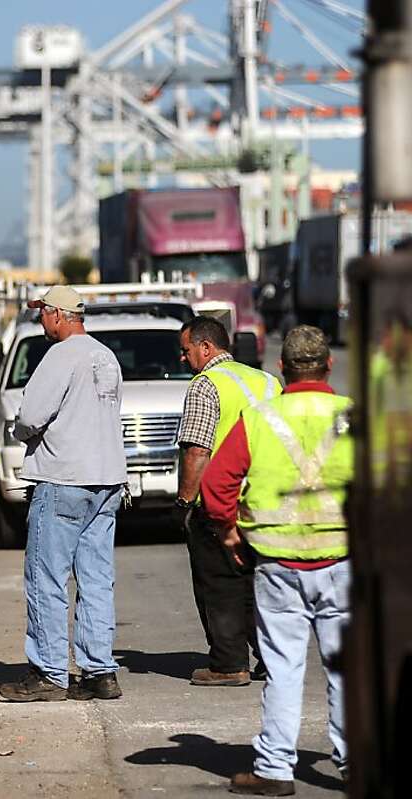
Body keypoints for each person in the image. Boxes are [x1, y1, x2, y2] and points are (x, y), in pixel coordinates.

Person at [200, 326, 352, 796]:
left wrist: (228, 530)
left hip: (278, 565)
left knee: (283, 669)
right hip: (342, 562)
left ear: (282, 368)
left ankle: (275, 769)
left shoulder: (260, 418)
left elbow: (216, 484)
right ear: (328, 366)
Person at [0, 285, 127, 703]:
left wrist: (20, 431)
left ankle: (49, 671)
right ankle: (99, 670)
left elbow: (33, 415)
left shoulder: (60, 356)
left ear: (57, 314)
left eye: (43, 314)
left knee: (46, 576)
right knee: (95, 578)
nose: (41, 320)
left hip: (64, 478)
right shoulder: (104, 356)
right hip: (106, 478)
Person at [177, 316, 281, 686]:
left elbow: (197, 450)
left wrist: (186, 501)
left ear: (206, 348)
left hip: (222, 502)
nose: (183, 358)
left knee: (219, 584)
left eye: (186, 350)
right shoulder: (267, 381)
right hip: (267, 499)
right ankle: (272, 658)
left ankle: (228, 663)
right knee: (261, 584)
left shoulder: (206, 385)